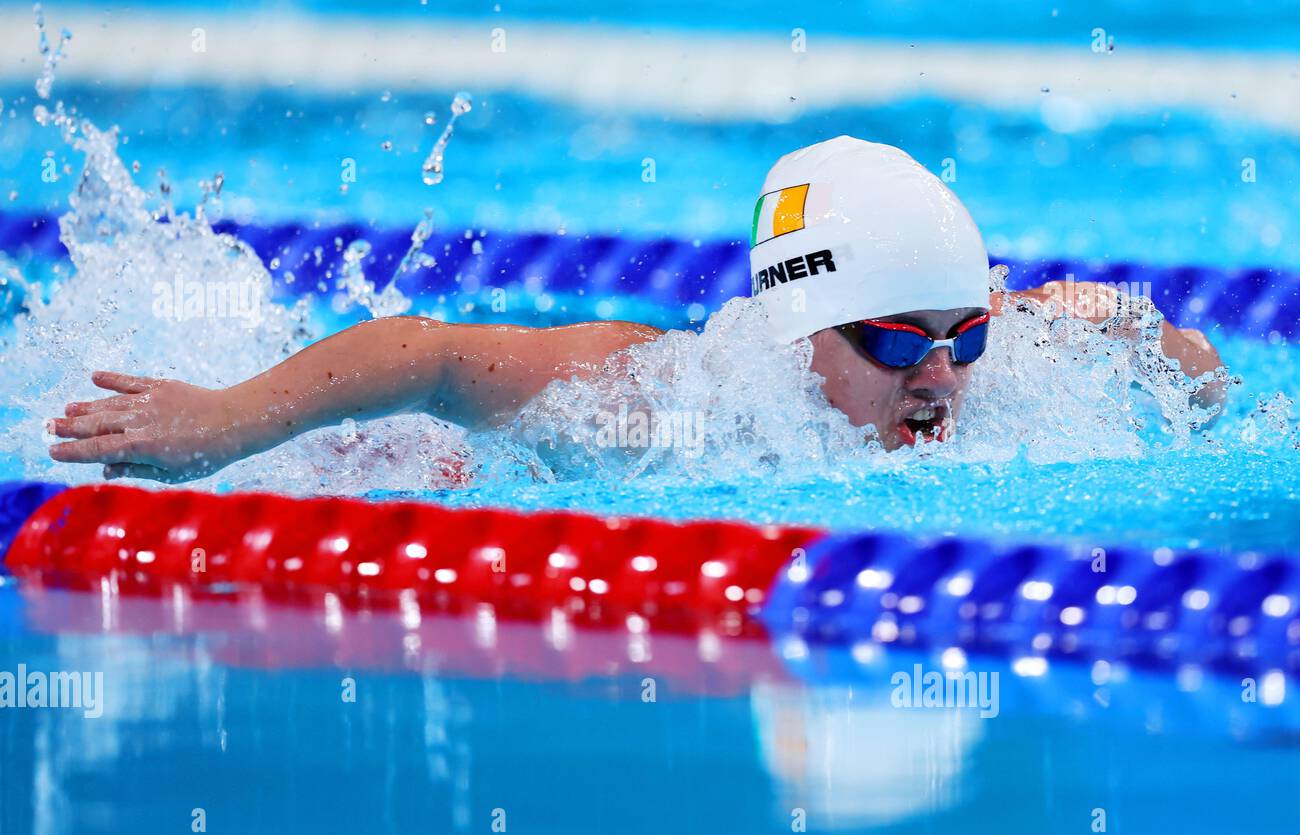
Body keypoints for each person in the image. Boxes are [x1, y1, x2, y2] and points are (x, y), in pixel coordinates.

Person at [47, 136, 1224, 483]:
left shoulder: (994, 352)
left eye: (961, 334)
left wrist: (1189, 377)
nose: (943, 376)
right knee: (414, 459)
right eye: (895, 338)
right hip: (450, 456)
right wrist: (229, 421)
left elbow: (1156, 339)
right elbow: (433, 352)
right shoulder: (669, 396)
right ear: (797, 331)